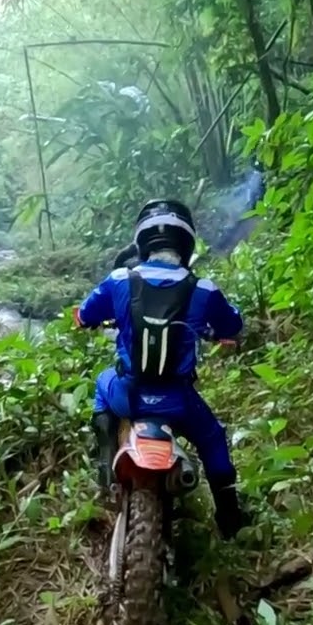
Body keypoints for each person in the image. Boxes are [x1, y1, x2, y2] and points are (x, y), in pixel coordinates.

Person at [73, 199, 248, 540]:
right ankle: (230, 518)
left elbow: (85, 314)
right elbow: (233, 325)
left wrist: (85, 320)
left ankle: (103, 472)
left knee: (101, 383)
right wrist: (218, 330)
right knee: (213, 440)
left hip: (129, 396)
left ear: (142, 242)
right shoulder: (204, 289)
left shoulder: (119, 279)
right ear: (186, 243)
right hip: (178, 402)